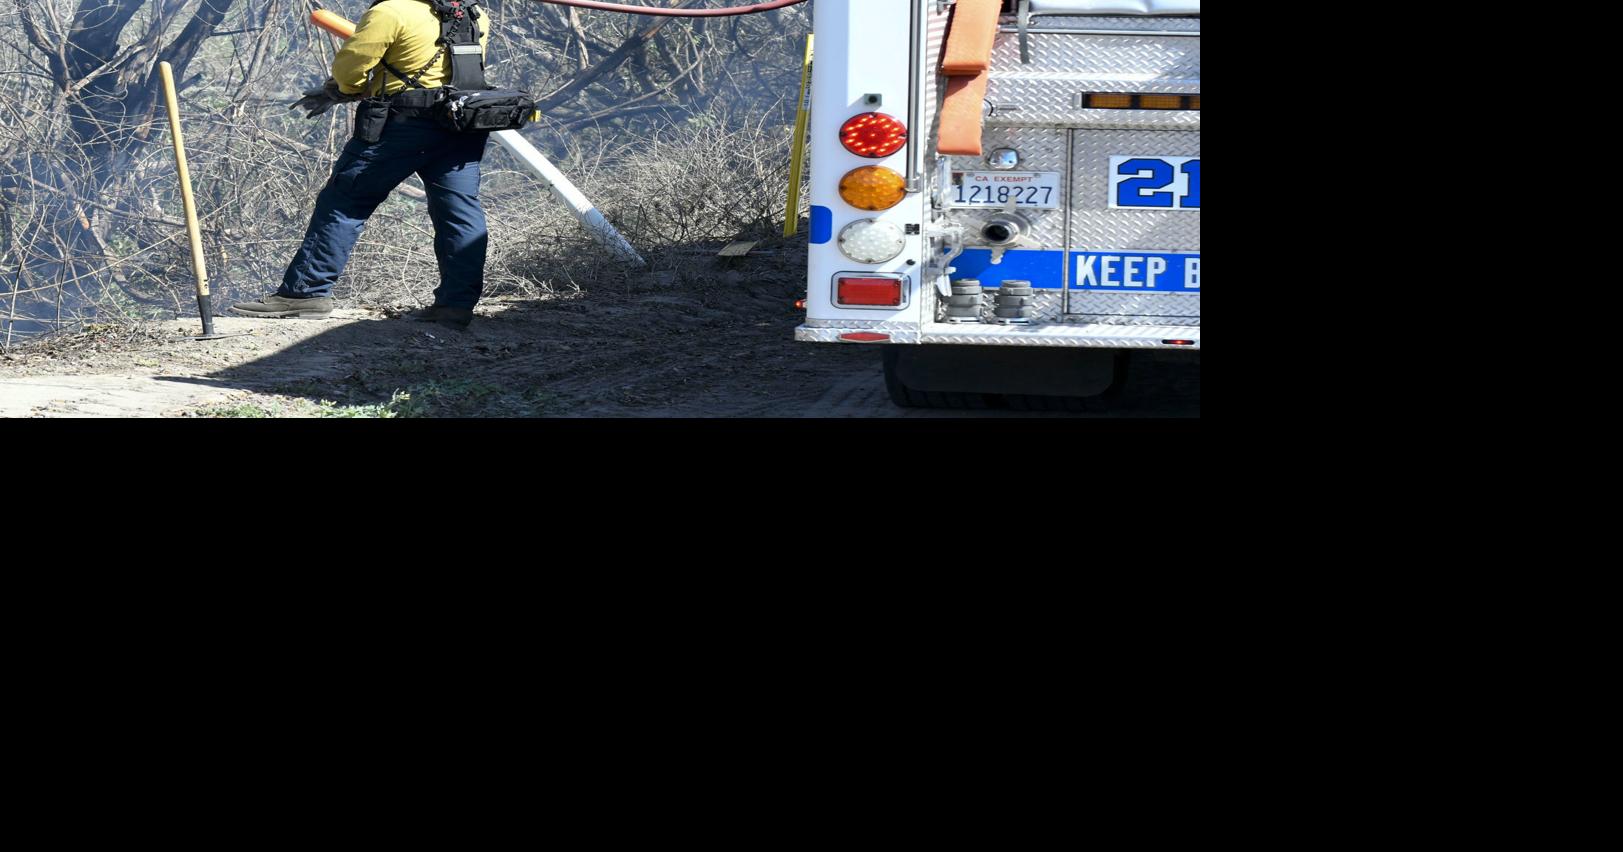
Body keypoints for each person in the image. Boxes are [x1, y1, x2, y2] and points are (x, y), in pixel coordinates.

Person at [231, 0, 492, 330]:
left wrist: (342, 91)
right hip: (462, 125)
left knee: (344, 201)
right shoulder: (474, 13)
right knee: (460, 212)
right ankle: (455, 306)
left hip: (404, 125)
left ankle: (304, 294)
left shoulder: (391, 12)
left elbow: (351, 70)